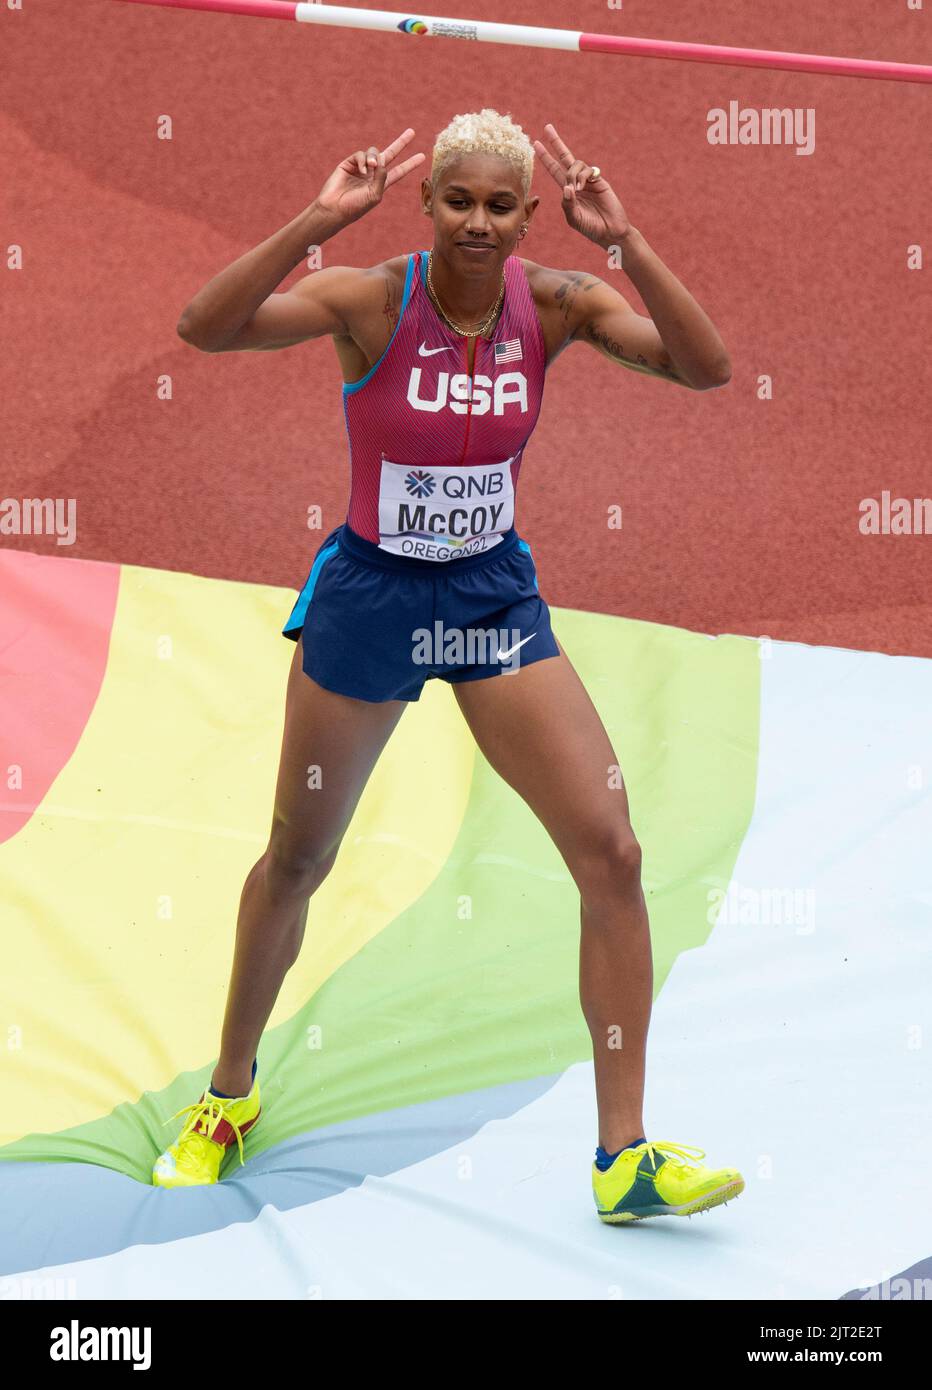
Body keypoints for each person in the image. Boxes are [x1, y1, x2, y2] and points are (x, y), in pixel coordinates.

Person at [153, 108, 744, 1223]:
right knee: (295, 859)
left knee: (609, 851)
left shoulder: (557, 305)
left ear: (528, 216)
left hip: (486, 600)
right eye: (457, 199)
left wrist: (623, 242)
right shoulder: (372, 299)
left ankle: (624, 1156)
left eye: (499, 205)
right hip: (369, 601)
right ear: (425, 206)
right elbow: (204, 327)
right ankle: (227, 1097)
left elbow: (705, 371)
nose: (477, 220)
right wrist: (317, 222)